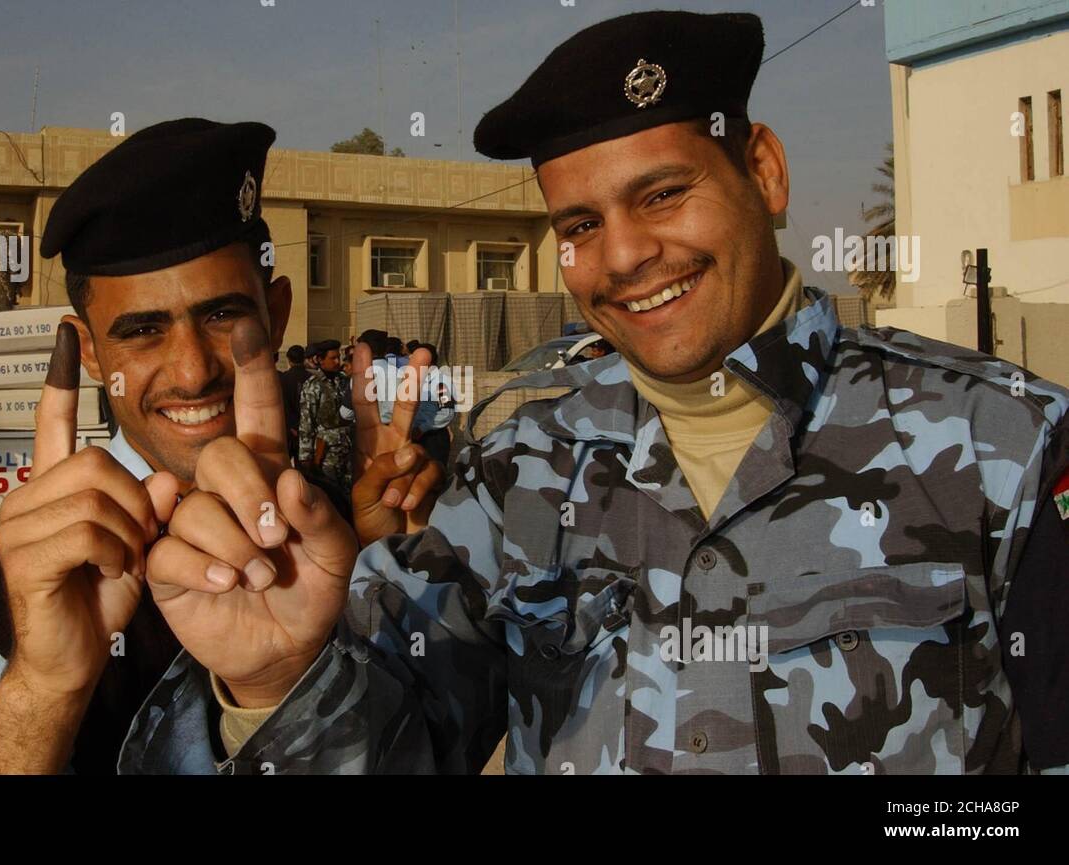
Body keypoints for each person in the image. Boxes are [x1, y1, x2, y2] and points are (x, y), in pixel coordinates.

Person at [131, 10, 1069, 775]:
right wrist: (281, 678)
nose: (621, 256)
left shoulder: (1003, 441)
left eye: (662, 195)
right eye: (580, 223)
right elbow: (396, 753)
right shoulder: (512, 482)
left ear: (765, 171)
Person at [0, 117, 443, 775]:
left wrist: (381, 581)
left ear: (277, 313)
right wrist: (45, 687)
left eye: (222, 315)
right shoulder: (8, 620)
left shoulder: (337, 541)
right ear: (88, 351)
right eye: (143, 330)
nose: (193, 370)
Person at [297, 339, 354, 495]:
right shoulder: (313, 385)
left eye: (339, 358)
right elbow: (306, 421)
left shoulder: (343, 381)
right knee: (330, 493)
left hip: (347, 448)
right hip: (327, 452)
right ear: (320, 360)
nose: (337, 362)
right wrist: (305, 456)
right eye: (333, 358)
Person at [280, 344, 310, 458]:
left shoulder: (283, 378)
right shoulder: (312, 378)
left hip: (289, 429)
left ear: (289, 360)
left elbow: (283, 405)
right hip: (308, 429)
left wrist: (292, 426)